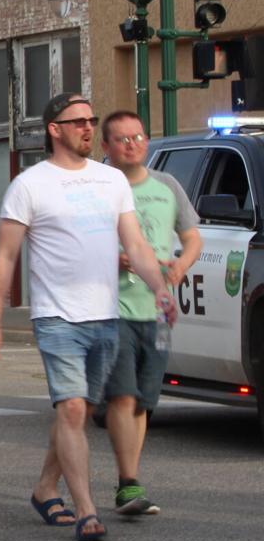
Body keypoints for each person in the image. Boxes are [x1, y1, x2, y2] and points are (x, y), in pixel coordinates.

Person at [0, 93, 175, 541]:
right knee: (70, 408)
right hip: (57, 316)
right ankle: (87, 510)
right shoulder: (30, 185)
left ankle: (46, 487)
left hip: (106, 316)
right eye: (78, 122)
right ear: (54, 129)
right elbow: (5, 258)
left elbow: (138, 245)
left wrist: (160, 288)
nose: (88, 128)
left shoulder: (111, 181)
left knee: (82, 410)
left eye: (91, 120)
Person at [100, 110, 201, 516]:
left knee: (143, 400)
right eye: (121, 139)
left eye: (137, 136)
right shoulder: (101, 189)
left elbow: (192, 236)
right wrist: (115, 256)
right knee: (122, 395)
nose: (131, 144)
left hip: (157, 311)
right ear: (106, 146)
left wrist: (180, 265)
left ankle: (132, 475)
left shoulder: (167, 185)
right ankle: (128, 483)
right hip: (112, 308)